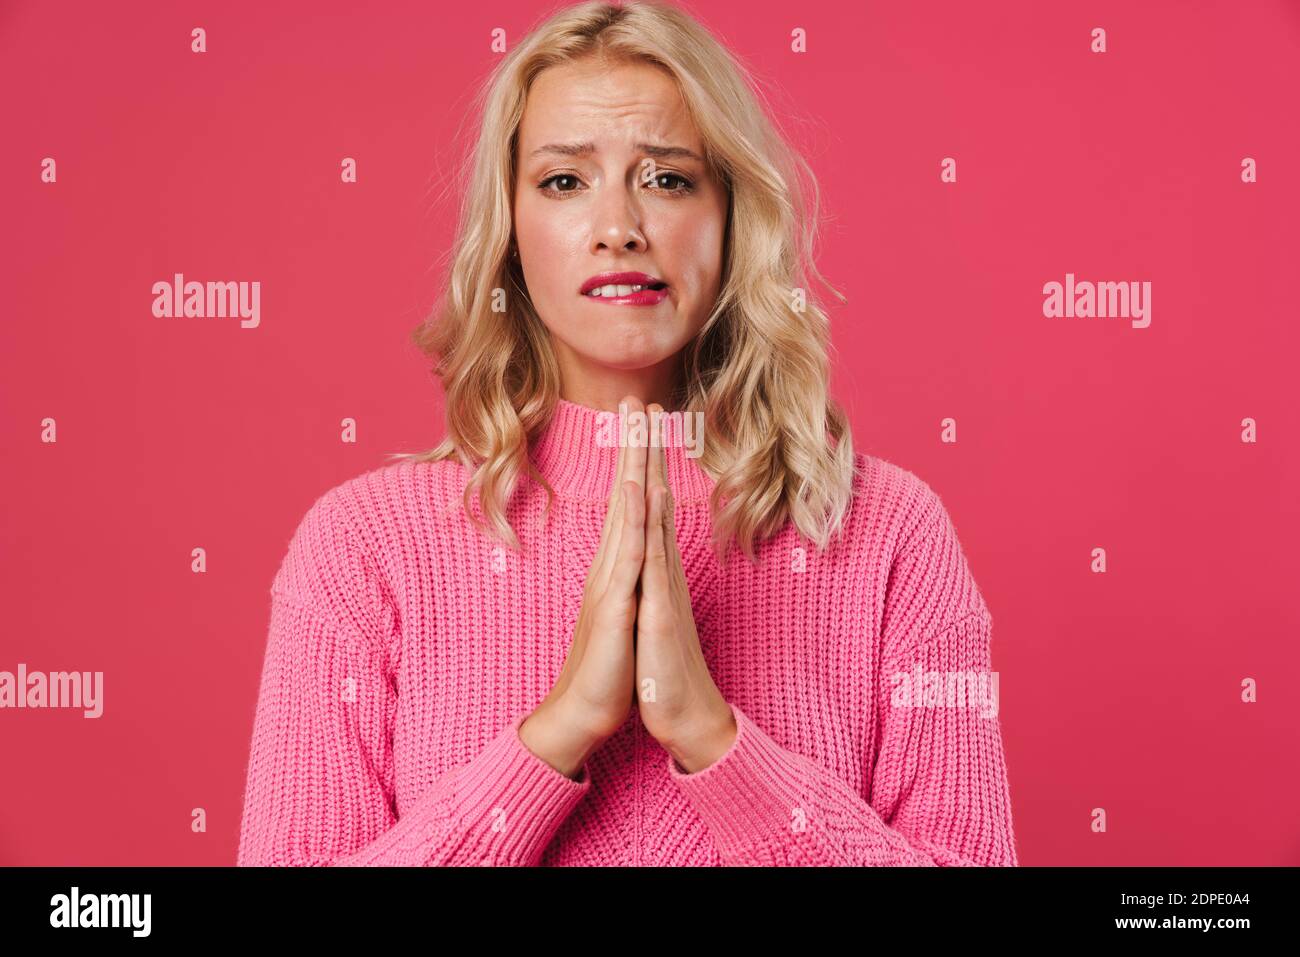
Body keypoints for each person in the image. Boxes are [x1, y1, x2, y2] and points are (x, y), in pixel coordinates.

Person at [236, 0, 1019, 866]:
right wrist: (557, 732)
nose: (620, 228)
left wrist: (714, 739)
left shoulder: (891, 534)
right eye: (565, 181)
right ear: (509, 231)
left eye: (668, 178)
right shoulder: (362, 548)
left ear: (731, 217)